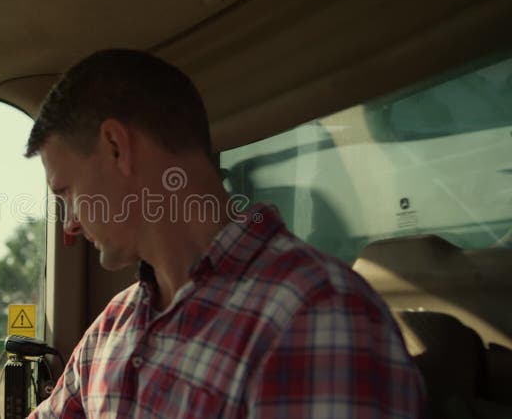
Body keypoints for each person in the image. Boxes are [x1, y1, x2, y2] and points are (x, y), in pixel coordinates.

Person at [24, 49, 426, 418]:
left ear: (117, 147)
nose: (70, 224)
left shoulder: (317, 315)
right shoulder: (114, 326)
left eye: (66, 191)